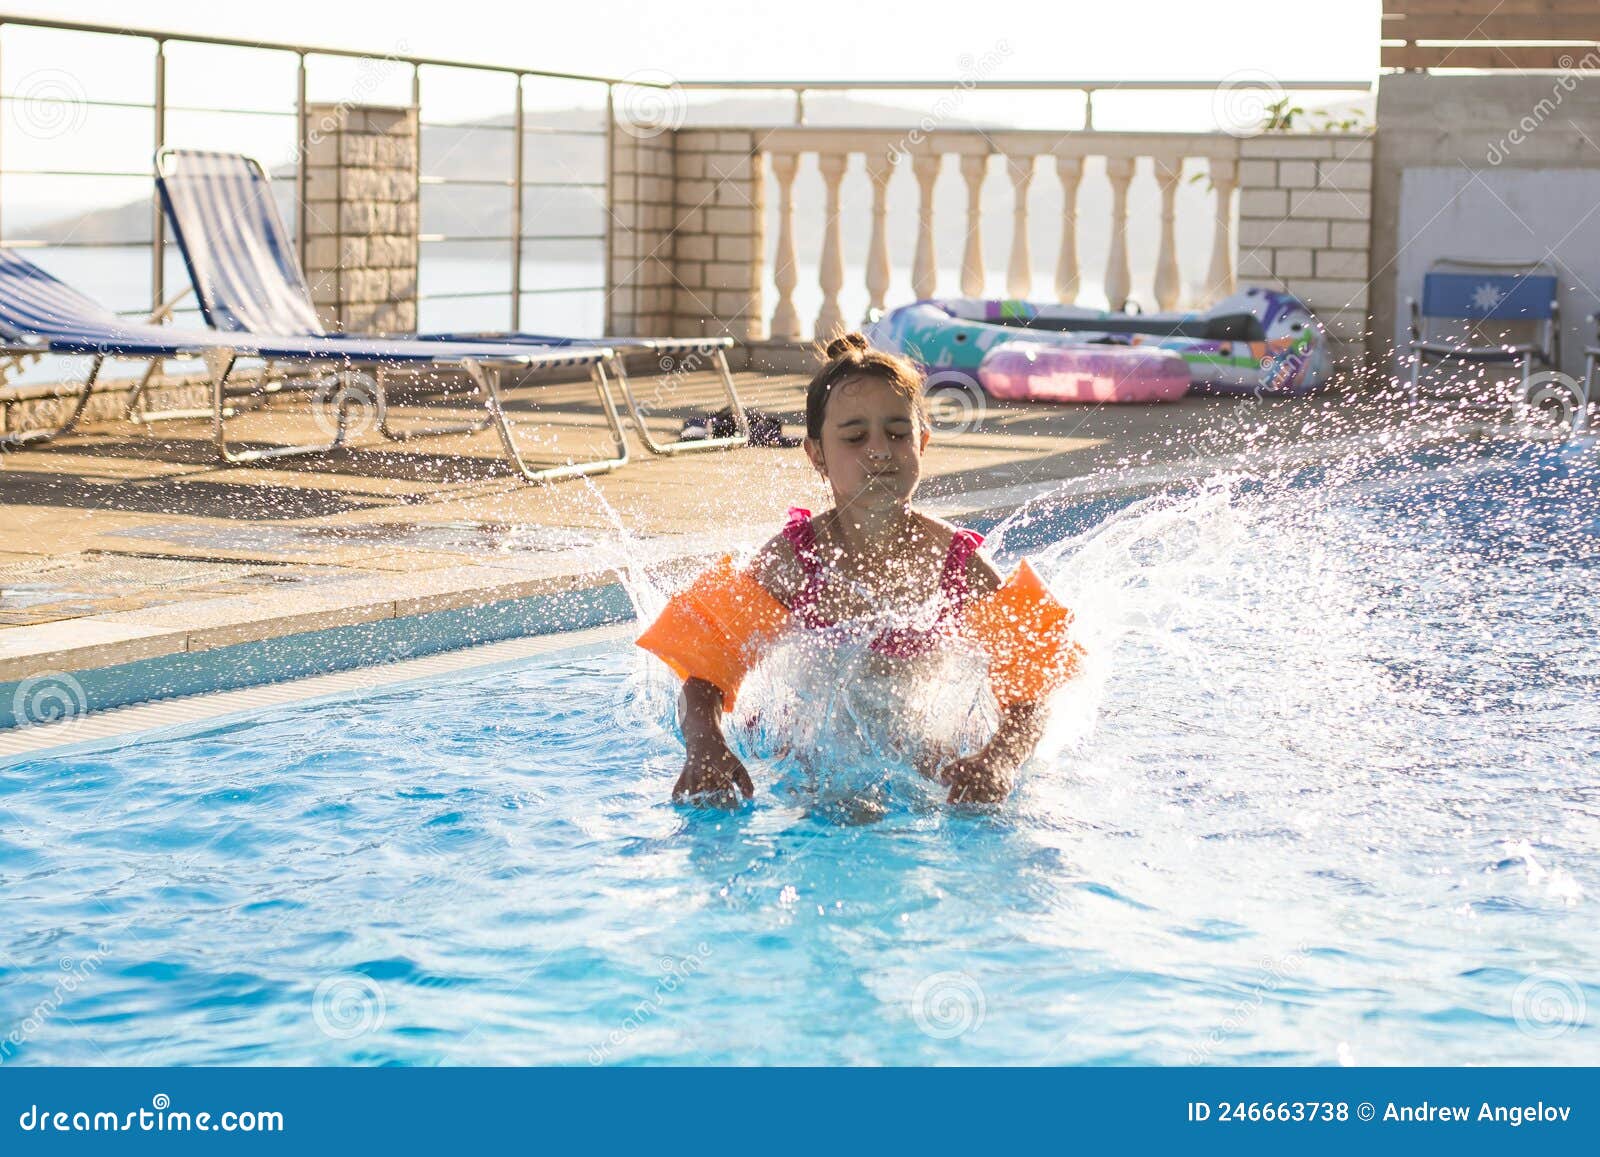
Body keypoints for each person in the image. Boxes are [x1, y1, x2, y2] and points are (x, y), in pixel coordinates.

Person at [638, 333, 1079, 808]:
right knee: (838, 808)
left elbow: (1033, 685)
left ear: (923, 442)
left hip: (919, 752)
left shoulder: (955, 564)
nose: (879, 451)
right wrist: (706, 745)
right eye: (854, 437)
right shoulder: (795, 561)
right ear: (817, 455)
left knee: (969, 806)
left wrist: (1000, 758)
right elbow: (704, 675)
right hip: (808, 752)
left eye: (897, 433)